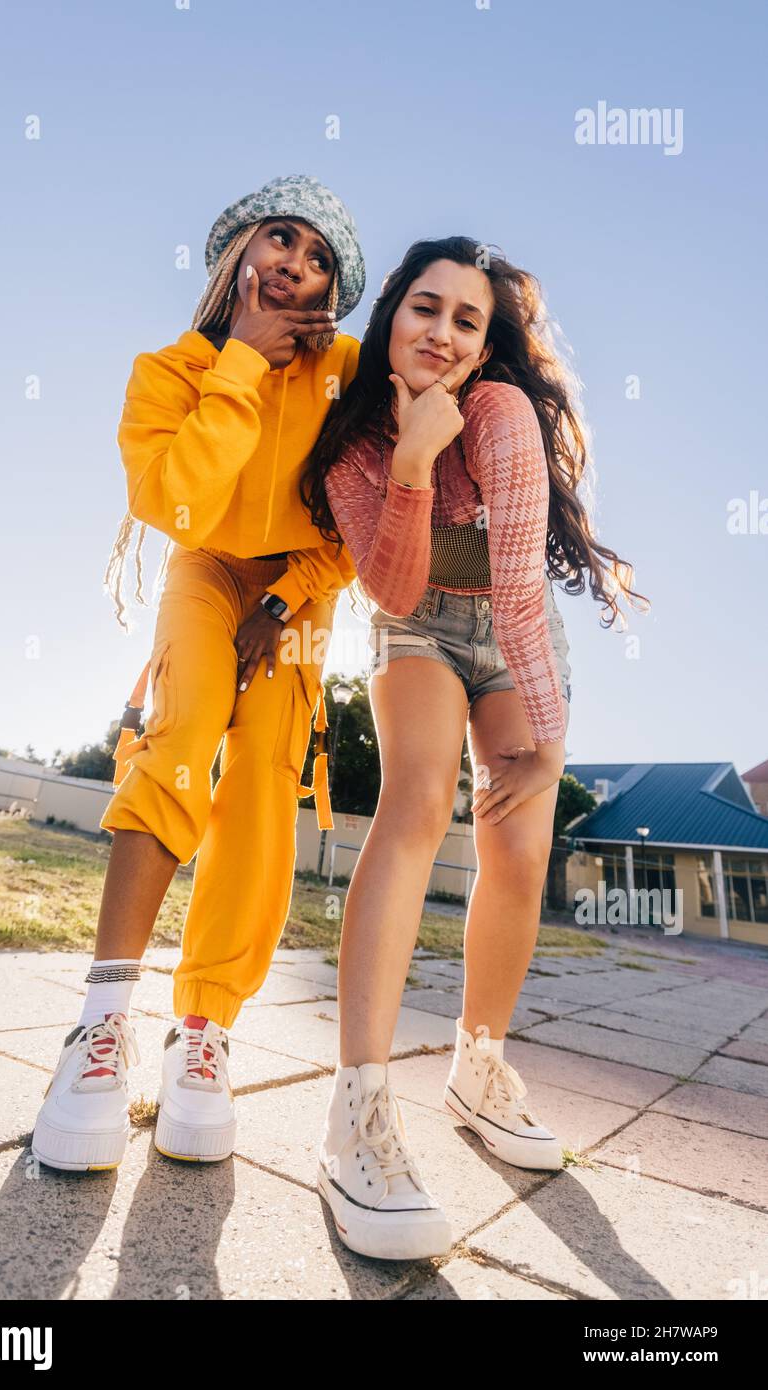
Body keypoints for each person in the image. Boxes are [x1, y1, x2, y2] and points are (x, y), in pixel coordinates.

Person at [300, 235, 648, 1259]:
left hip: (517, 632)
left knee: (522, 851)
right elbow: (398, 591)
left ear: (489, 344)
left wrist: (544, 741)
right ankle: (356, 1112)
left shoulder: (501, 413)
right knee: (413, 804)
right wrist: (410, 459)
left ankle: (479, 1065)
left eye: (469, 321)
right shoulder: (356, 445)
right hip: (419, 629)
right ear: (392, 316)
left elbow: (521, 589)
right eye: (427, 308)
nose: (445, 334)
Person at [31, 175, 366, 1173]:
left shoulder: (351, 373)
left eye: (319, 256)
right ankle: (99, 1025)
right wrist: (241, 370)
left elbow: (361, 518)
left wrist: (283, 602)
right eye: (280, 238)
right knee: (177, 748)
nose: (296, 262)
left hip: (296, 598)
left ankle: (204, 1034)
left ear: (331, 290)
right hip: (202, 570)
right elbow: (175, 503)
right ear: (235, 257)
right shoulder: (168, 371)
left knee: (263, 784)